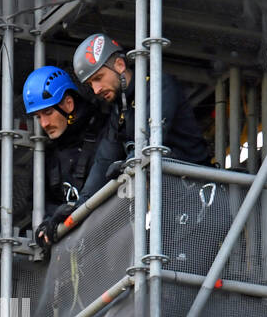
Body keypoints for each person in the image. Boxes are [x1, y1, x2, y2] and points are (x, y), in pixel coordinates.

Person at [72, 33, 212, 172]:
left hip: (196, 184)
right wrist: (86, 195)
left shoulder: (159, 85)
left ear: (120, 65)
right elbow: (104, 161)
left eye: (99, 78)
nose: (96, 90)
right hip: (166, 184)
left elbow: (151, 140)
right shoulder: (119, 108)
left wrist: (125, 166)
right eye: (91, 84)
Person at [22, 65, 112, 250]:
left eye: (48, 113)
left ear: (69, 104)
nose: (44, 124)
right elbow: (39, 203)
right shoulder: (46, 157)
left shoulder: (105, 130)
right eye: (38, 117)